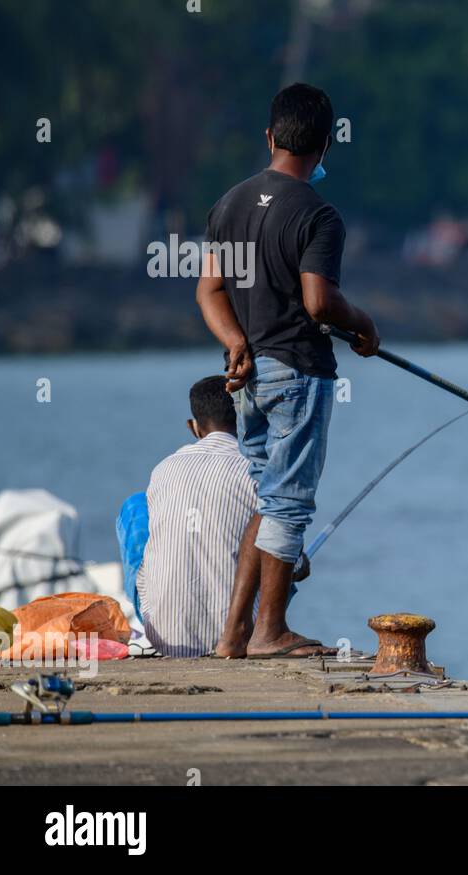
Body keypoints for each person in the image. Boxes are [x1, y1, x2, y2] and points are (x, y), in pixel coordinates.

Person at [195, 82, 378, 658]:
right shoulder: (318, 214)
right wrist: (364, 325)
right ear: (325, 146)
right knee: (288, 503)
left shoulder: (228, 204)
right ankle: (271, 631)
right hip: (298, 370)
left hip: (245, 376)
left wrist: (235, 344)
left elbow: (210, 291)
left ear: (270, 137)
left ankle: (233, 637)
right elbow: (320, 301)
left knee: (267, 500)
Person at [134, 377, 260, 657]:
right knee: (282, 557)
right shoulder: (256, 471)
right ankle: (265, 634)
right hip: (237, 634)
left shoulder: (163, 469)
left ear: (194, 428)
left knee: (134, 510)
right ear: (247, 419)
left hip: (164, 636)